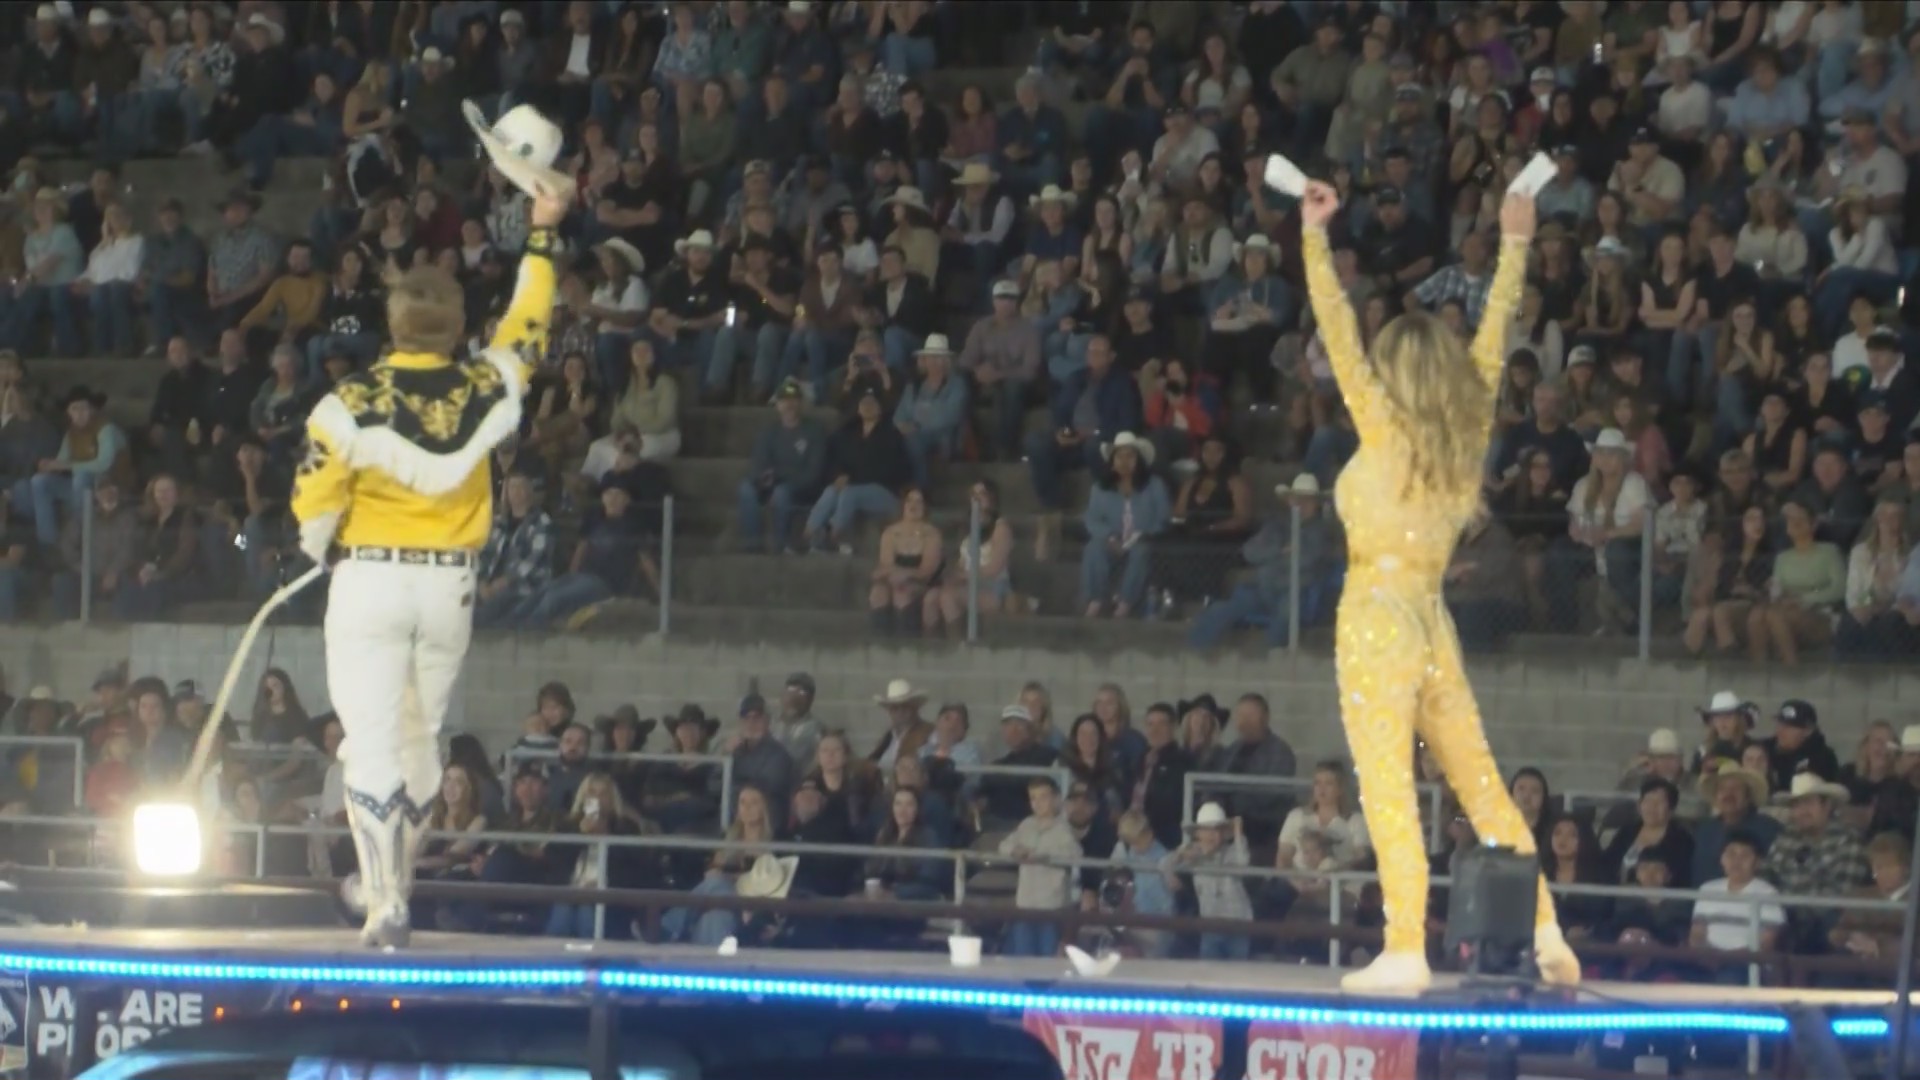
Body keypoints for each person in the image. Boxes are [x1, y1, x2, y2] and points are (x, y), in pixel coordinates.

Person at [292, 102, 574, 948]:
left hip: (370, 577)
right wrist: (544, 233)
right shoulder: (488, 385)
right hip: (450, 584)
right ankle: (399, 884)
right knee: (423, 738)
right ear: (457, 327)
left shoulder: (350, 401)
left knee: (371, 740)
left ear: (392, 324)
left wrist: (306, 550)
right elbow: (529, 322)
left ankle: (384, 899)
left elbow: (315, 496)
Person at [1296, 176, 1577, 992]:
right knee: (1483, 787)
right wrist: (1516, 241)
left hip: (1376, 615)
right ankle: (1549, 933)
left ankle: (1405, 946)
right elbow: (1492, 336)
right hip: (1430, 618)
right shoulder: (1465, 430)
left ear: (1394, 370)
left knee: (1387, 781)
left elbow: (1337, 331)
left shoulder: (1384, 428)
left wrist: (1315, 238)